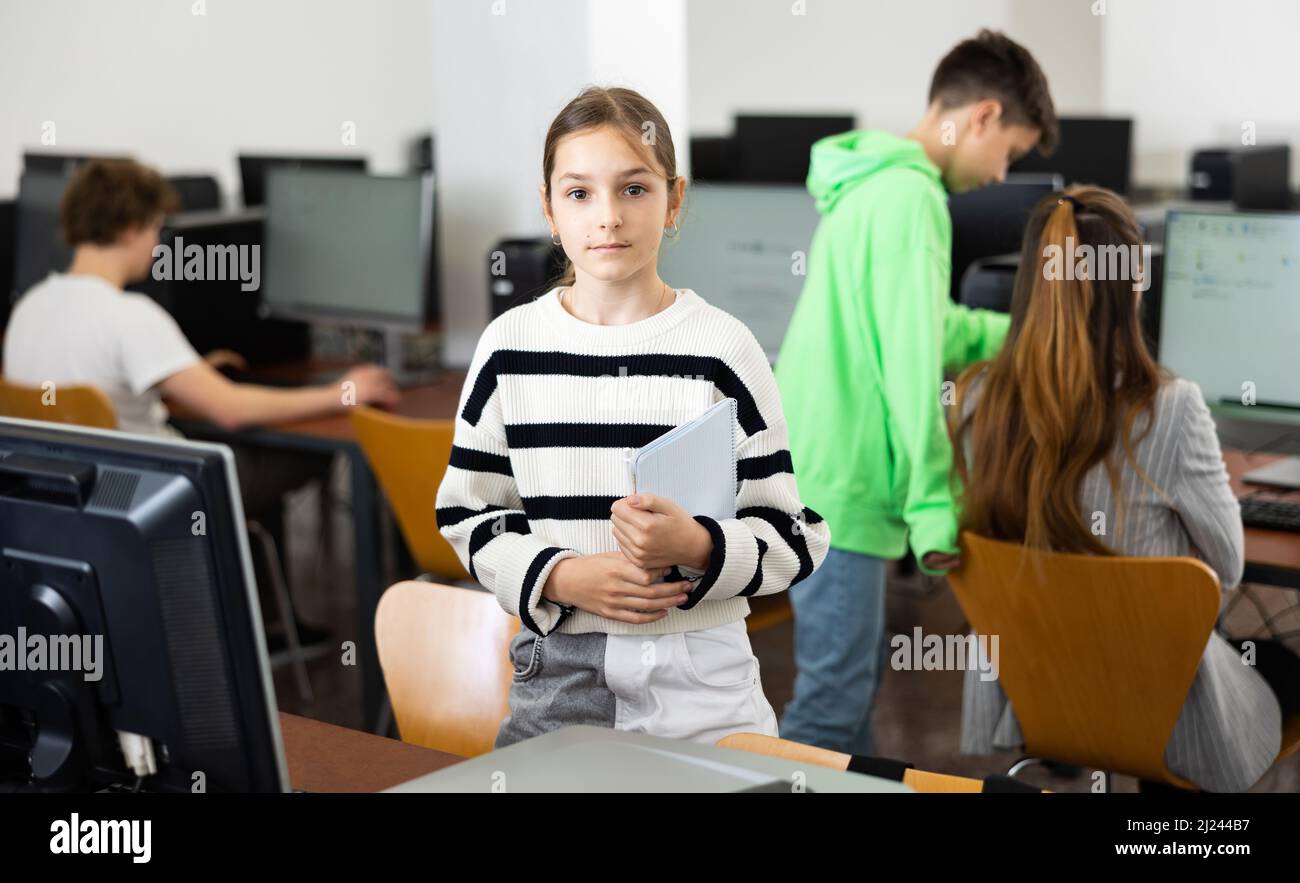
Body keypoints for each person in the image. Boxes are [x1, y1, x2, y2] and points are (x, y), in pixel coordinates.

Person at [436, 86, 830, 748]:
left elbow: (795, 537)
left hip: (703, 679)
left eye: (634, 190)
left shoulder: (724, 349)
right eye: (580, 193)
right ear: (548, 207)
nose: (608, 217)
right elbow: (467, 518)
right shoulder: (509, 349)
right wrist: (564, 575)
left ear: (674, 200)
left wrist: (700, 547)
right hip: (561, 673)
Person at [953, 185, 1300, 792]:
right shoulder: (1170, 408)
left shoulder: (981, 398)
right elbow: (1228, 565)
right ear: (1134, 283)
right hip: (1156, 701)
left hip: (1041, 688)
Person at [776, 29, 1058, 754]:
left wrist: (1021, 336)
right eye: (1011, 153)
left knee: (852, 698)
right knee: (828, 715)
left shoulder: (873, 186)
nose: (1002, 175)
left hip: (819, 470)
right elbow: (909, 370)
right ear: (985, 116)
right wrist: (935, 510)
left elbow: (918, 326)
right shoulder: (912, 201)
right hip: (845, 490)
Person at [3, 158, 399, 644]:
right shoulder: (128, 315)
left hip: (72, 504)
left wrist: (185, 373)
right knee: (300, 456)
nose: (156, 244)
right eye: (155, 229)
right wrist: (343, 392)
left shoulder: (28, 307)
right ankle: (274, 624)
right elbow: (230, 409)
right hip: (158, 494)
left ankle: (271, 617)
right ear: (131, 228)